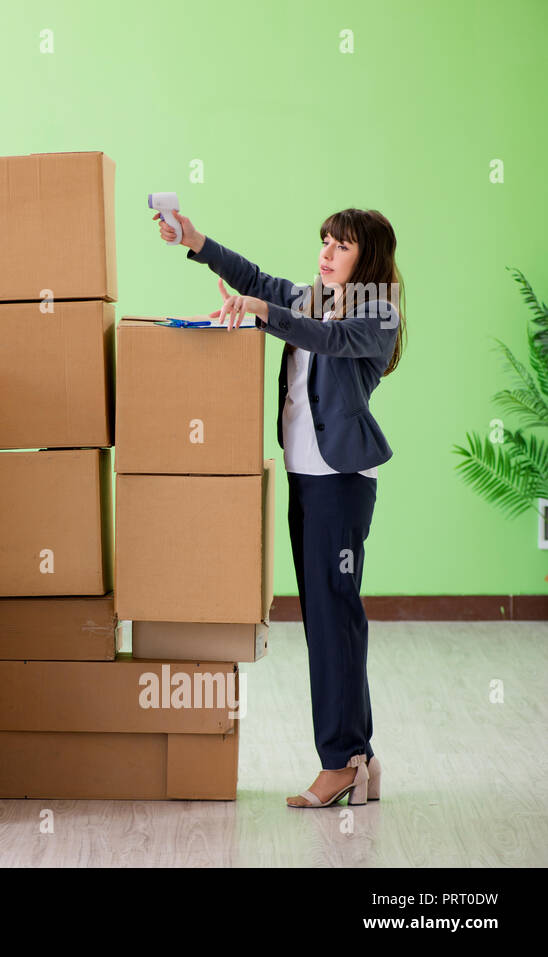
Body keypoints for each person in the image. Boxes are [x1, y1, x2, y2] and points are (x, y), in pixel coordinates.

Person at [153, 205, 406, 808]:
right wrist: (198, 241)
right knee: (329, 616)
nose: (326, 253)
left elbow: (325, 337)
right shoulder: (316, 299)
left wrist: (265, 313)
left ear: (368, 258)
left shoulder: (378, 312)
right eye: (324, 242)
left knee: (332, 616)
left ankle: (339, 761)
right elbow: (258, 282)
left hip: (340, 480)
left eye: (341, 246)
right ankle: (361, 758)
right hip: (306, 475)